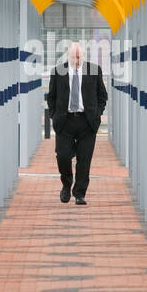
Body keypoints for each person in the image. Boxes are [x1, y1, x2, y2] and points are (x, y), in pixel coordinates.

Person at [45, 41, 108, 205]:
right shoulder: (58, 72)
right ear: (68, 56)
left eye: (80, 57)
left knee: (84, 160)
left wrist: (97, 114)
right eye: (74, 57)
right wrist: (54, 115)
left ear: (84, 56)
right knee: (63, 156)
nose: (77, 60)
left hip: (87, 122)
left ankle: (79, 193)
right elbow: (51, 97)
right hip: (65, 121)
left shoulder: (94, 71)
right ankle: (66, 184)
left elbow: (103, 96)